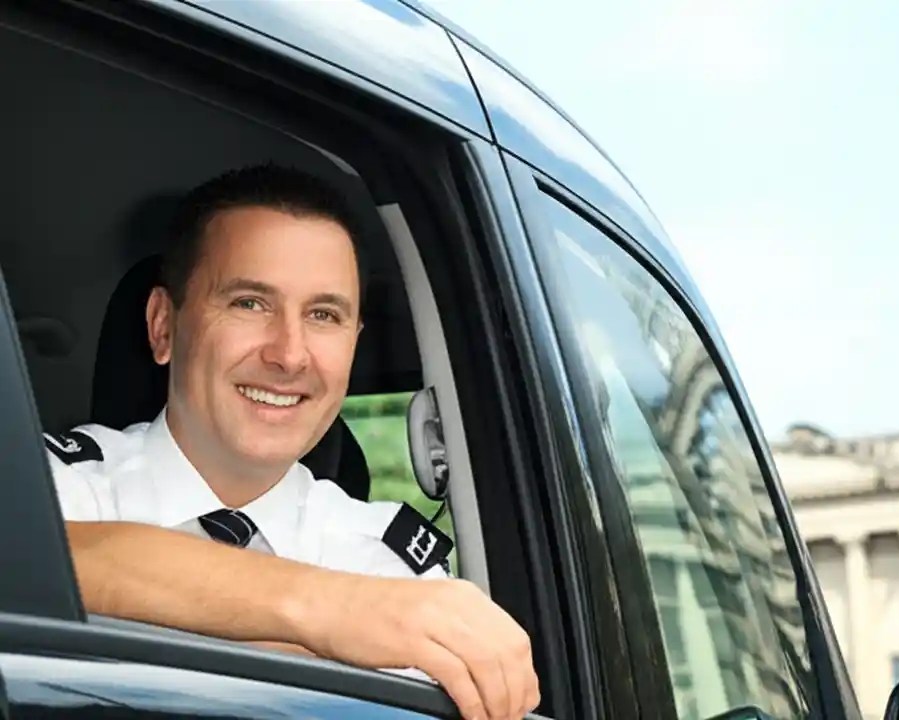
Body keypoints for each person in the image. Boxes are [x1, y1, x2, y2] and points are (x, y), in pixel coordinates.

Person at [45, 164, 538, 720]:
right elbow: (33, 555)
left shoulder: (386, 567)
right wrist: (324, 610)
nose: (289, 354)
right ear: (163, 326)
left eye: (324, 315)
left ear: (353, 345)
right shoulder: (51, 483)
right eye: (250, 303)